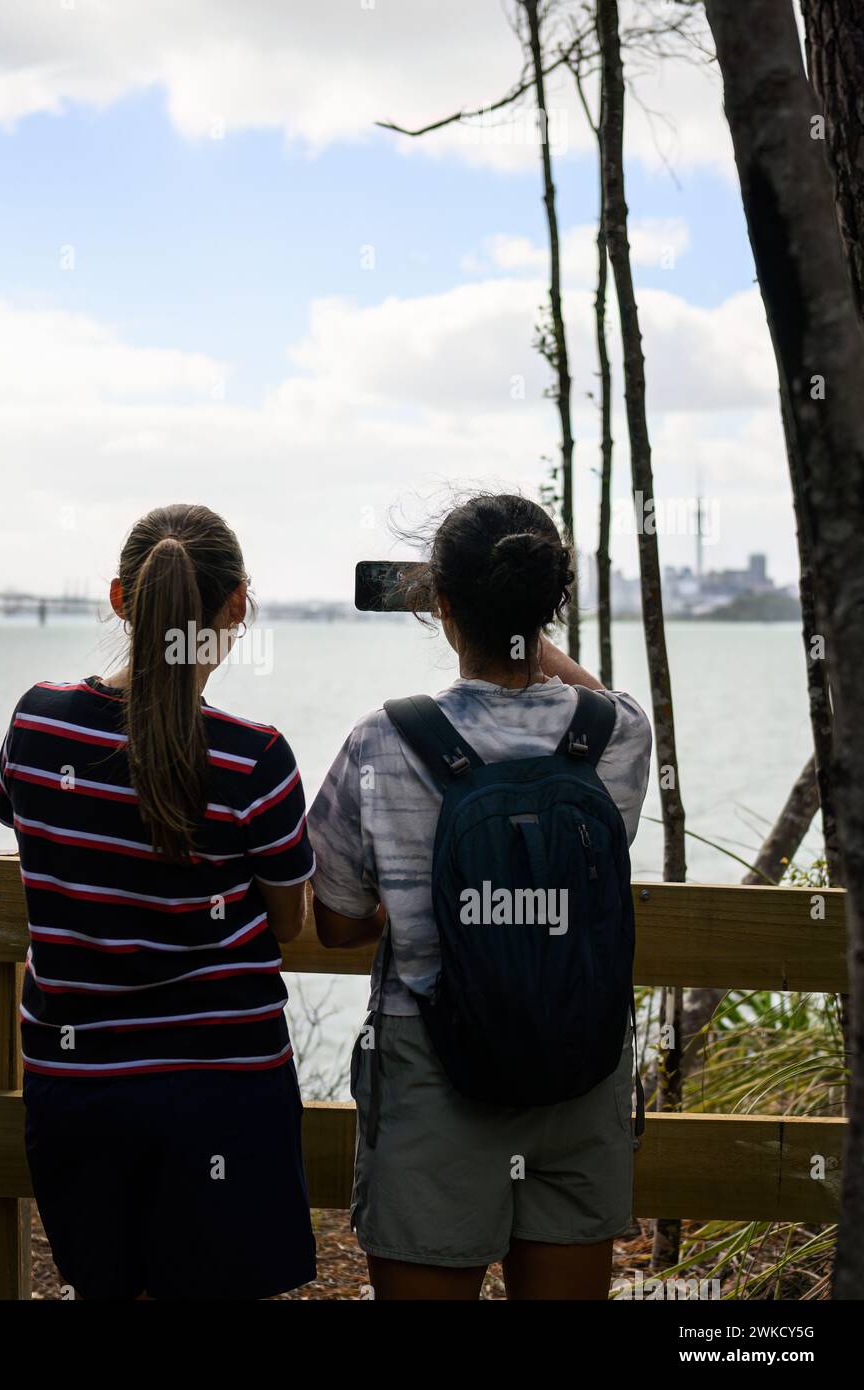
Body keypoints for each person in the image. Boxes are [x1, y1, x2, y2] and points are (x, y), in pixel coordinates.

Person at [308, 492, 653, 1300]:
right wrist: (524, 627)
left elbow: (338, 925)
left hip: (436, 1070)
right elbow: (597, 700)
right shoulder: (618, 736)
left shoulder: (383, 739)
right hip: (579, 1060)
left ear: (441, 606)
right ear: (550, 606)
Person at [0, 502, 317, 1300]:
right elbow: (290, 920)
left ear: (118, 597)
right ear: (238, 605)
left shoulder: (37, 725)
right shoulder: (255, 759)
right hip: (224, 1090)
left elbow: (24, 823)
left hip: (77, 1087)